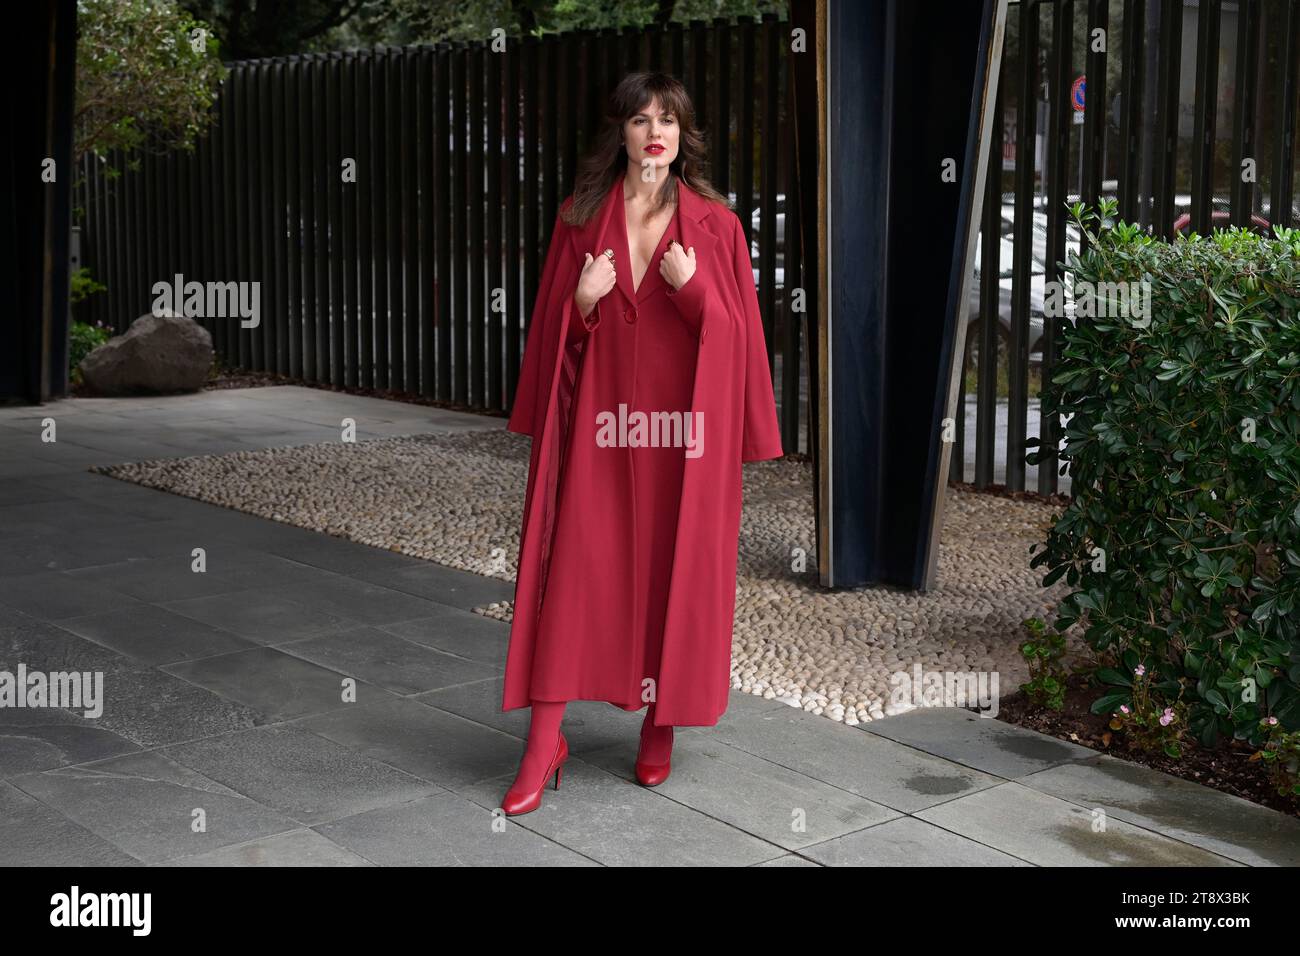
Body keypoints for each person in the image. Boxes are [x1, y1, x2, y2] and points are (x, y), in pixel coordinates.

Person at [499, 71, 783, 816]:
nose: (654, 131)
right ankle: (543, 744)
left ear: (684, 135)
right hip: (598, 429)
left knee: (673, 570)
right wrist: (583, 304)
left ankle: (660, 726)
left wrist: (692, 292)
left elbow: (740, 344)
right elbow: (553, 341)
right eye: (640, 119)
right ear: (619, 132)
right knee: (576, 577)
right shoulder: (579, 218)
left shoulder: (718, 227)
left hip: (680, 439)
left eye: (669, 119)